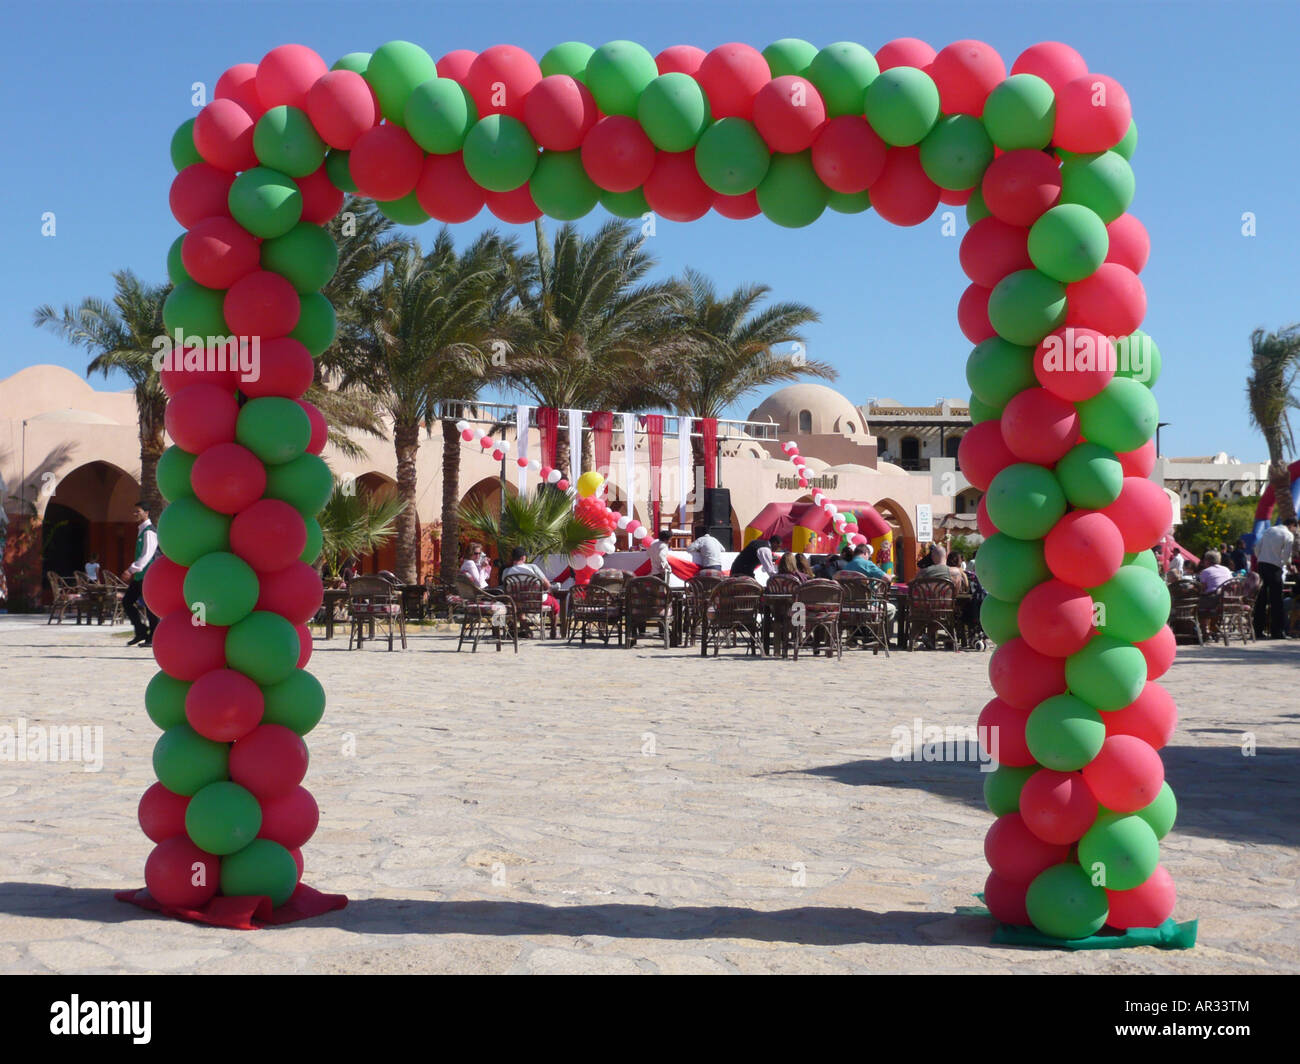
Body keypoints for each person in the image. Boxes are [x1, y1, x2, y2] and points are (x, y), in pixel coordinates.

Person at [121, 502, 159, 647]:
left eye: (138, 511)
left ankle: (152, 637)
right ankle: (141, 631)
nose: (135, 514)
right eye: (134, 511)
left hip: (148, 575)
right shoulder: (142, 530)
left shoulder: (149, 532)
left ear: (147, 513)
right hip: (140, 576)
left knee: (150, 607)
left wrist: (131, 569)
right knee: (127, 602)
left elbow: (146, 556)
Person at [1254, 517, 1297, 639]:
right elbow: (1286, 554)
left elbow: (1257, 547)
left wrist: (1261, 559)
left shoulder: (1269, 530)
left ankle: (1258, 630)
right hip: (1274, 568)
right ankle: (1277, 632)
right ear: (1292, 525)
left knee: (1261, 599)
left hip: (1262, 565)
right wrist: (1287, 565)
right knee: (1276, 601)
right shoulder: (1288, 534)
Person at [501, 546, 561, 619]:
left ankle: (525, 627)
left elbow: (505, 587)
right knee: (555, 604)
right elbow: (548, 585)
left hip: (517, 604)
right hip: (536, 602)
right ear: (523, 557)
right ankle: (553, 629)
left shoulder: (506, 571)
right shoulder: (532, 567)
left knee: (519, 607)